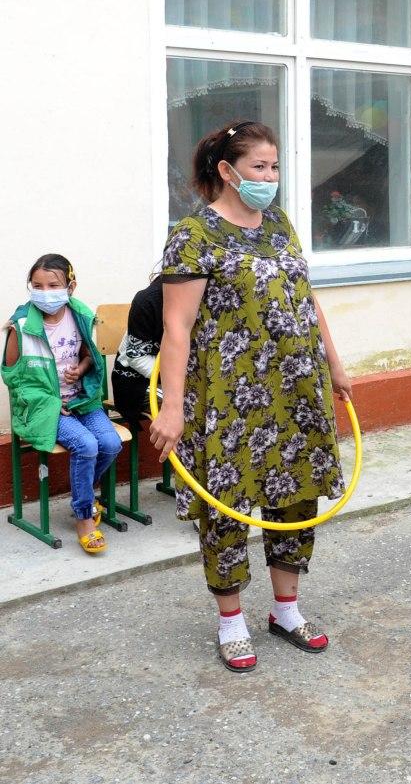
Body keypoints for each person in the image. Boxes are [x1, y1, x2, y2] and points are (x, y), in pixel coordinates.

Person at [150, 121, 352, 674]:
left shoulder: (280, 224)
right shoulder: (194, 235)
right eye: (260, 167)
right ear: (227, 171)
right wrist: (171, 405)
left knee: (297, 495)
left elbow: (306, 299)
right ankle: (231, 620)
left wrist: (333, 364)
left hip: (297, 389)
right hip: (228, 398)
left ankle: (286, 610)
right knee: (227, 506)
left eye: (275, 166)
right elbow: (177, 327)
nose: (271, 178)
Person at [3, 254, 121, 554]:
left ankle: (82, 496)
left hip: (81, 401)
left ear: (71, 286)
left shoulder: (79, 315)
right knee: (86, 445)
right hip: (46, 409)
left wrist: (80, 370)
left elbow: (86, 357)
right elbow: (13, 378)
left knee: (109, 443)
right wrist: (51, 404)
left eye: (53, 285)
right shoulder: (21, 325)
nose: (45, 292)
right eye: (37, 285)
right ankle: (84, 517)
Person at [110, 276, 162, 424]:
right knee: (186, 406)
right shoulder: (148, 300)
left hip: (178, 381)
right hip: (136, 383)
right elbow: (136, 357)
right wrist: (176, 379)